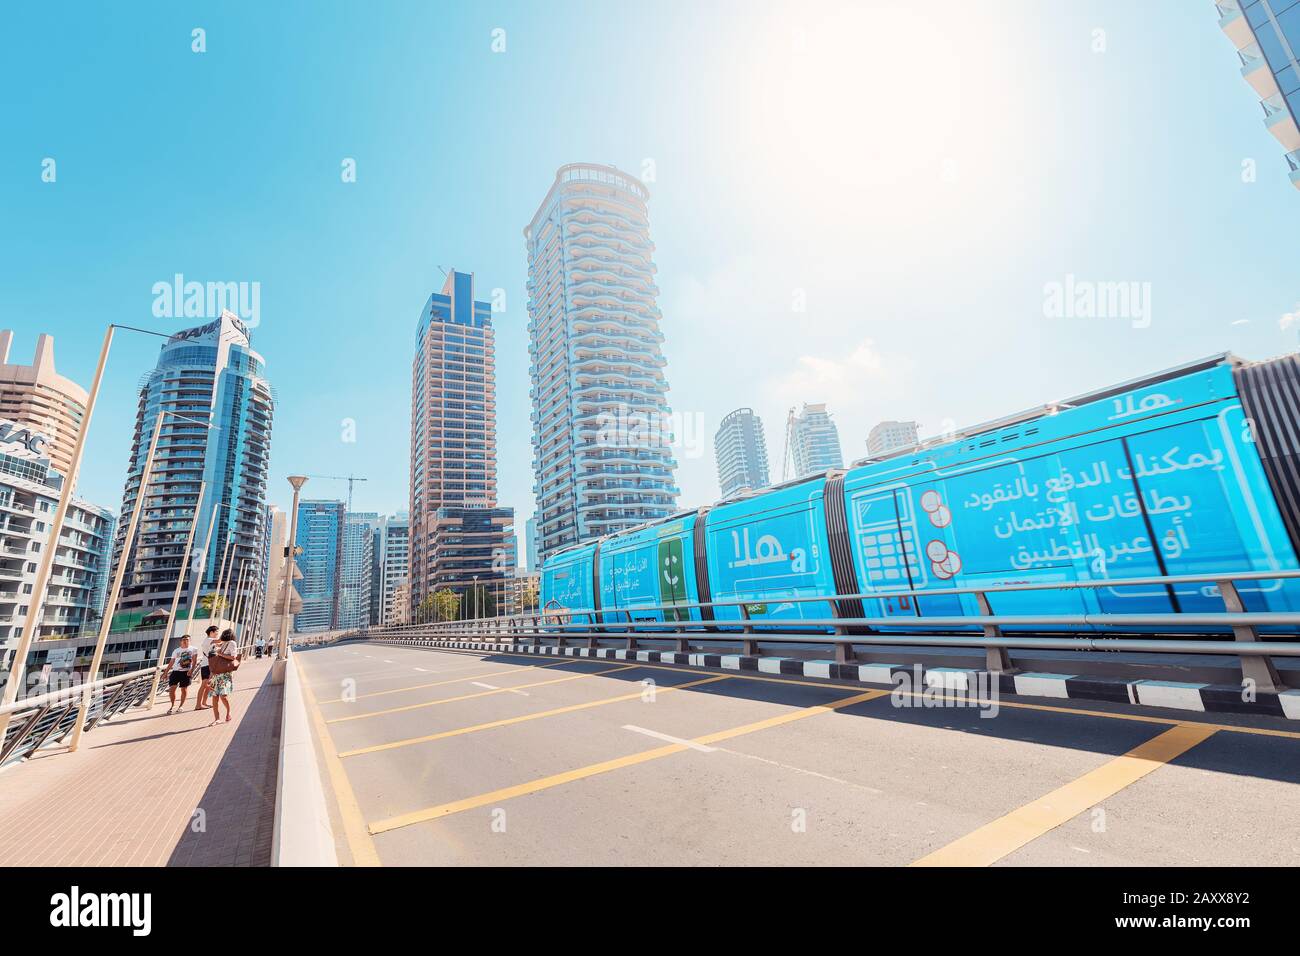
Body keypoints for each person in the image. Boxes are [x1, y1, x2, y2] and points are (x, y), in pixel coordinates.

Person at [208, 628, 240, 726]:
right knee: (214, 697)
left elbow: (233, 657)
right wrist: (211, 675)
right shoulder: (224, 644)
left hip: (225, 673)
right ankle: (217, 718)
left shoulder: (232, 643)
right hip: (217, 673)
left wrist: (220, 654)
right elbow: (216, 661)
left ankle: (228, 712)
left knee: (223, 696)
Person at [164, 635, 197, 714]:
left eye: (187, 640)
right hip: (175, 671)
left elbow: (194, 661)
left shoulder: (193, 649)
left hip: (186, 672)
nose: (185, 641)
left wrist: (191, 671)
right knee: (172, 689)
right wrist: (165, 673)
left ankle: (181, 706)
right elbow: (171, 662)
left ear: (190, 641)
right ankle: (172, 706)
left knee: (184, 689)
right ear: (181, 641)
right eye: (183, 640)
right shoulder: (176, 650)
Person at [195, 625, 218, 711]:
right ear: (211, 632)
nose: (217, 634)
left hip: (209, 664)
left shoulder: (210, 641)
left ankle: (203, 703)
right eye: (216, 632)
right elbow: (220, 641)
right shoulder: (209, 640)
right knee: (204, 685)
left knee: (208, 685)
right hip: (206, 665)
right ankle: (198, 705)